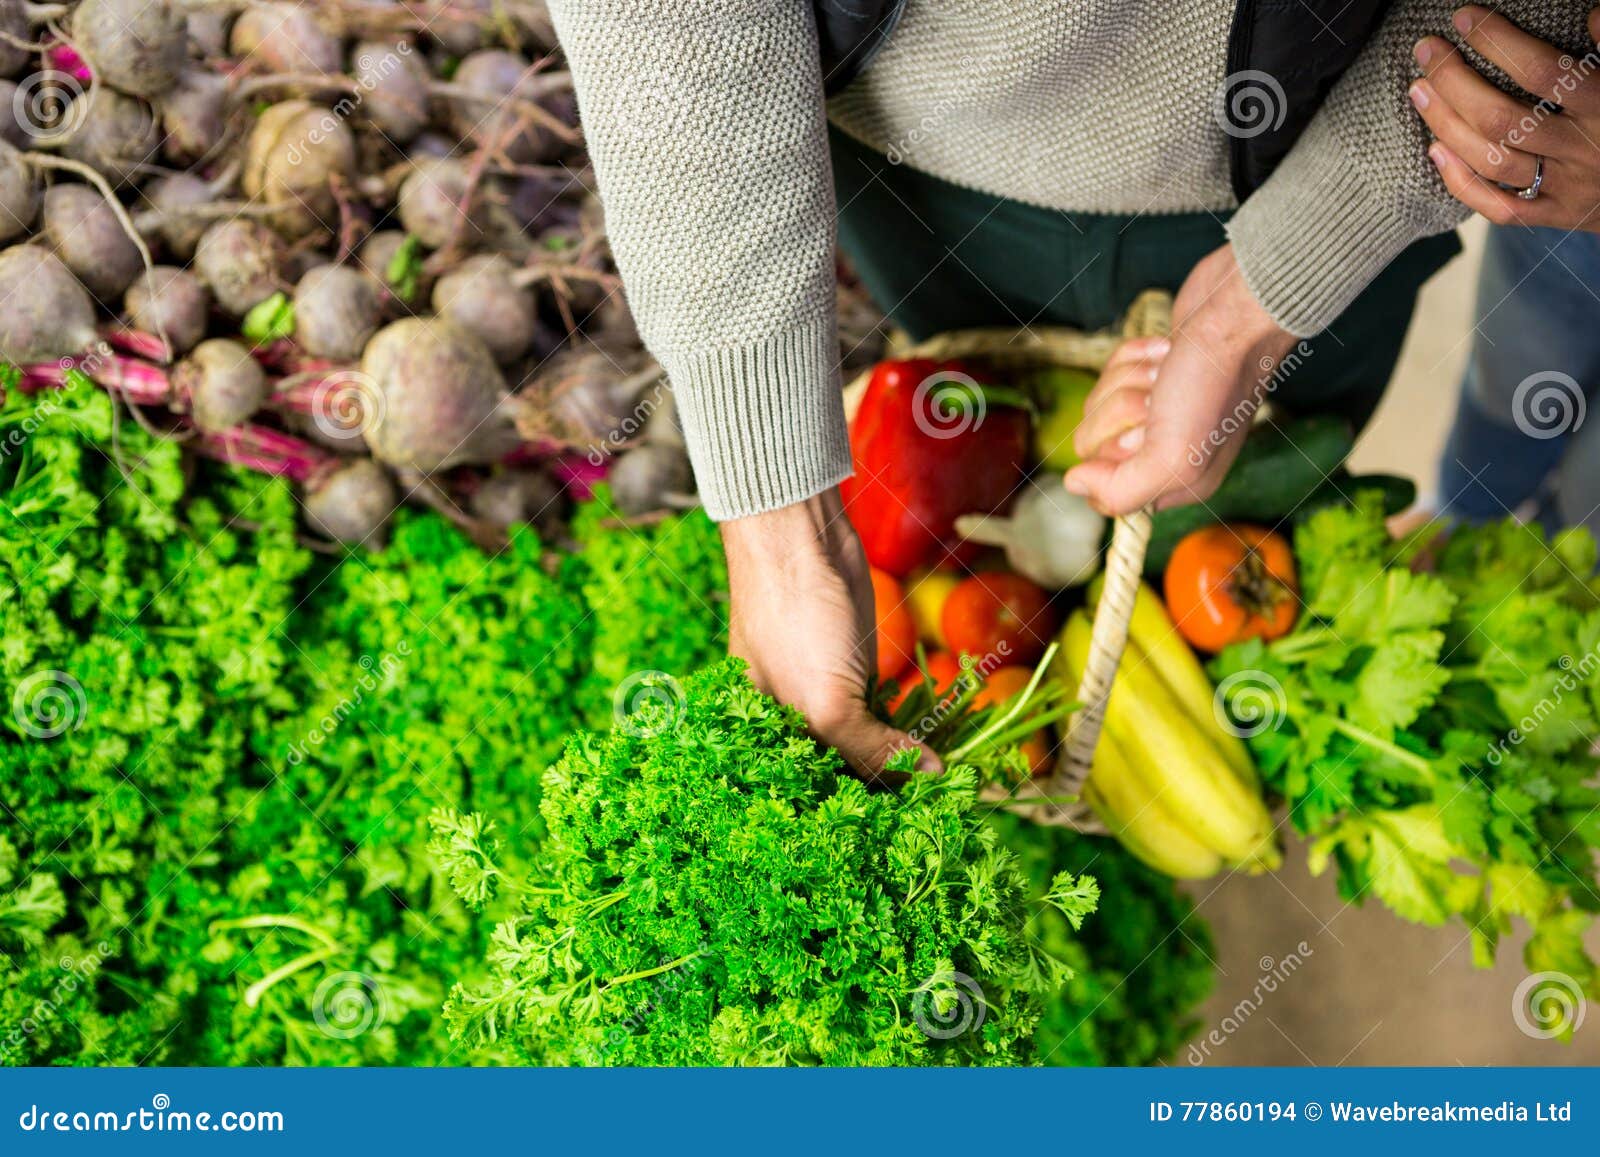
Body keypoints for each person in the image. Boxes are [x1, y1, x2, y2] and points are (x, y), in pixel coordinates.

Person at [545, 1, 1588, 776]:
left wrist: (1286, 272)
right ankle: (1483, 488)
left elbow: (1521, 24)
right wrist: (783, 533)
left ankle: (1480, 492)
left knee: (1316, 462)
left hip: (1332, 144)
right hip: (930, 156)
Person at [1410, 10, 1600, 536]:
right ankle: (1458, 521)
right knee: (1513, 389)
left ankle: (1559, 578)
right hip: (1578, 165)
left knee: (1592, 498)